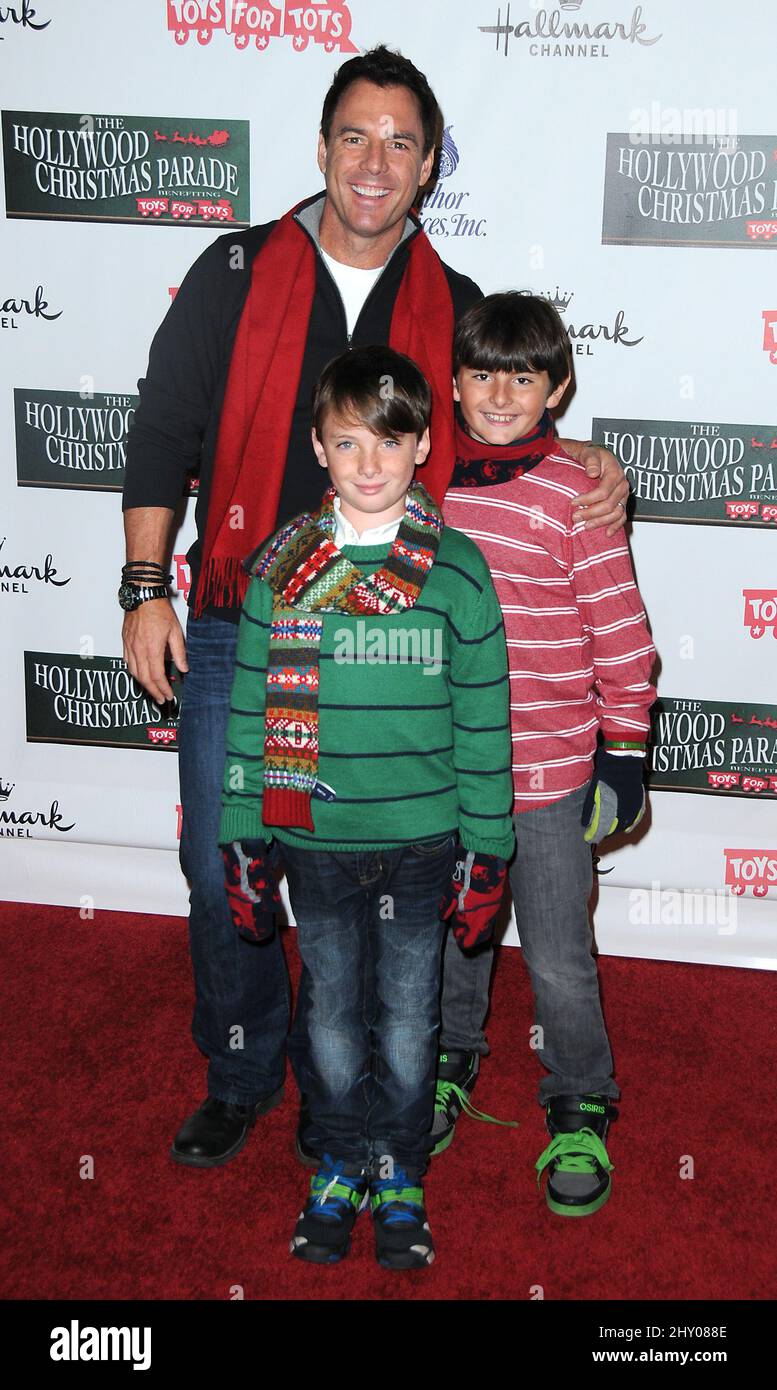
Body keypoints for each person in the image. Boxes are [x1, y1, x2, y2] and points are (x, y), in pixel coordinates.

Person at [120, 44, 630, 1169]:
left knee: (370, 884)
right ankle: (245, 1066)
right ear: (321, 146)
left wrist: (582, 458)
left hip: (395, 647)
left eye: (402, 140)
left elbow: (505, 422)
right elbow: (162, 431)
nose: (375, 159)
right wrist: (145, 585)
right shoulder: (237, 269)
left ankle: (342, 1086)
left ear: (430, 161)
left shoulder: (449, 303)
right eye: (355, 133)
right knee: (225, 859)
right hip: (240, 618)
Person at [217, 346, 514, 1267]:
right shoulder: (279, 569)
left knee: (409, 1015)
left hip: (425, 841)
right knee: (334, 1013)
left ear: (424, 443)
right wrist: (241, 833)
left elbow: (483, 715)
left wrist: (488, 847)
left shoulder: (455, 570)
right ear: (317, 447)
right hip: (318, 840)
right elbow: (251, 711)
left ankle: (402, 1171)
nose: (371, 463)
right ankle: (341, 1161)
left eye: (389, 440)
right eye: (348, 443)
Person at [441, 293, 656, 1213]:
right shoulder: (422, 487)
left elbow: (617, 627)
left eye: (522, 375)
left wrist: (624, 754)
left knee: (561, 954)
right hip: (448, 774)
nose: (499, 391)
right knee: (452, 932)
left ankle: (579, 1096)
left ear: (556, 388)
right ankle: (446, 1058)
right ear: (451, 383)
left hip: (553, 771)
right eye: (482, 372)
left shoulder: (579, 493)